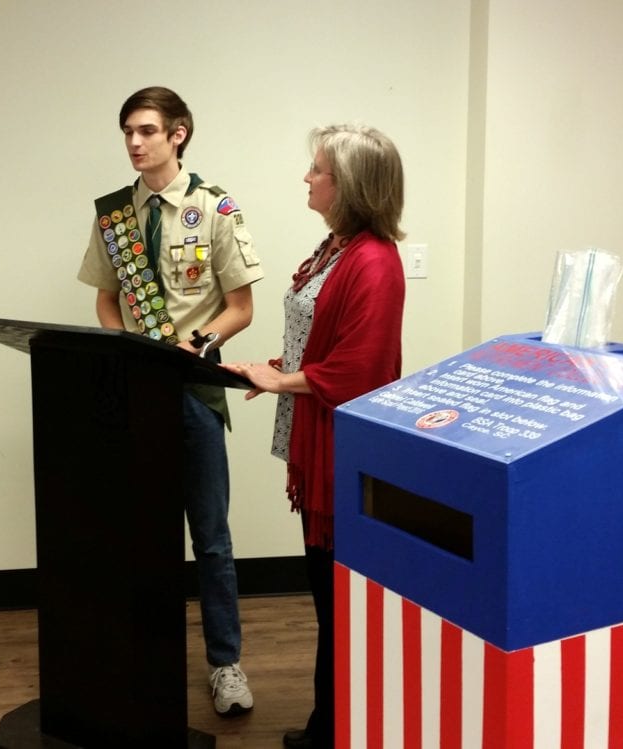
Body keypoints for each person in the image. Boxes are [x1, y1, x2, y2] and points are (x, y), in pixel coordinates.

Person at [76, 86, 263, 716]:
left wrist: (195, 344)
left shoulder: (212, 208)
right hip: (136, 390)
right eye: (128, 131)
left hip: (193, 393)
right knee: (136, 533)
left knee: (210, 535)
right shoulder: (114, 215)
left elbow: (241, 307)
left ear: (178, 134)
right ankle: (140, 658)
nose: (134, 142)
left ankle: (227, 666)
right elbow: (106, 297)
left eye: (147, 130)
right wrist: (125, 347)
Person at [224, 124, 406, 749]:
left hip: (344, 455)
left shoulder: (375, 262)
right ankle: (328, 724)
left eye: (317, 169)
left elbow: (360, 369)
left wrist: (282, 384)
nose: (307, 177)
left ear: (348, 185)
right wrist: (276, 368)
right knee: (330, 601)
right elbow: (318, 340)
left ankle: (337, 730)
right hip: (315, 441)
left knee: (340, 606)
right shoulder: (335, 247)